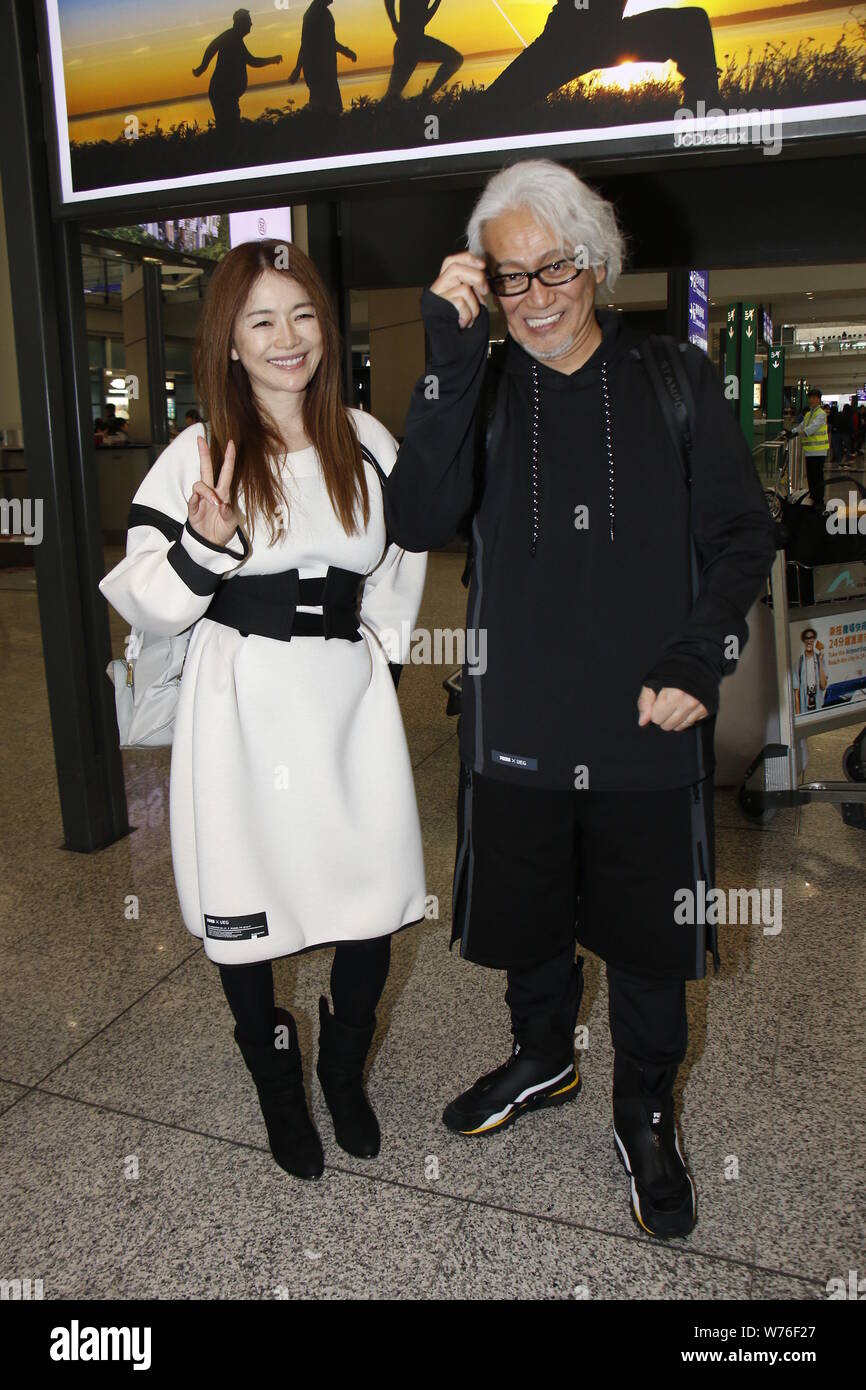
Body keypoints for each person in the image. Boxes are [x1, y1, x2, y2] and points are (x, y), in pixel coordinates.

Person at [385, 159, 776, 1239]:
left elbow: (742, 534)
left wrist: (700, 655)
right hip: (515, 725)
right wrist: (449, 362)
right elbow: (415, 516)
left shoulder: (672, 379)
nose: (536, 296)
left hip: (648, 721)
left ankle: (643, 1109)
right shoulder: (481, 385)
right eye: (508, 279)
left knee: (652, 940)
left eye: (553, 267)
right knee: (525, 920)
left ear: (592, 262)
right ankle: (543, 1055)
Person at [99, 239, 427, 1181]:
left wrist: (384, 671)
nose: (288, 338)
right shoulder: (196, 452)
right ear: (230, 343)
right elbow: (149, 598)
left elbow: (400, 569)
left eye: (303, 315)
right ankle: (278, 1084)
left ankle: (341, 1066)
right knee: (248, 898)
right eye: (261, 321)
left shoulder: (366, 440)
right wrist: (204, 547)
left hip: (347, 704)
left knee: (370, 899)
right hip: (239, 708)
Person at [484, 0, 719, 112]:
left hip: (604, 35)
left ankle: (704, 117)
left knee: (693, 24)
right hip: (568, 37)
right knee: (493, 107)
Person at [192, 9, 282, 134]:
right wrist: (202, 67)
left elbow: (250, 60)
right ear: (242, 22)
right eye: (249, 21)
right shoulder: (231, 37)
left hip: (227, 95)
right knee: (229, 129)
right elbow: (213, 47)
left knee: (230, 128)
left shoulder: (235, 39)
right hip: (222, 94)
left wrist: (271, 60)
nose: (251, 24)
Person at [383, 1, 463, 100]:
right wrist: (394, 23)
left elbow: (422, 20)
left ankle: (424, 97)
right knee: (392, 95)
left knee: (456, 59)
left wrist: (437, 2)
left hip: (417, 42)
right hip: (408, 44)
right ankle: (424, 97)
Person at [288, 0, 356, 115]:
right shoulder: (314, 14)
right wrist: (297, 68)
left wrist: (346, 51)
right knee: (328, 110)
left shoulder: (321, 12)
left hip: (325, 71)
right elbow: (306, 44)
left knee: (326, 110)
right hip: (319, 72)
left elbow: (328, 41)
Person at [791, 387, 829, 507]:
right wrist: (791, 431)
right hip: (809, 451)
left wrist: (798, 433)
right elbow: (802, 426)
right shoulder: (808, 414)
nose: (811, 400)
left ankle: (819, 500)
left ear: (818, 400)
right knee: (811, 477)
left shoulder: (821, 414)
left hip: (818, 452)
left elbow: (811, 428)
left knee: (817, 477)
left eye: (813, 398)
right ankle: (813, 497)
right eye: (810, 398)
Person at [793, 628, 828, 715]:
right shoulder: (798, 662)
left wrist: (820, 660)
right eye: (806, 638)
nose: (809, 641)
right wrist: (798, 716)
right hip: (804, 706)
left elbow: (823, 686)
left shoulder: (820, 659)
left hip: (818, 705)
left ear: (814, 639)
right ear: (803, 640)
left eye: (811, 638)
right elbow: (796, 694)